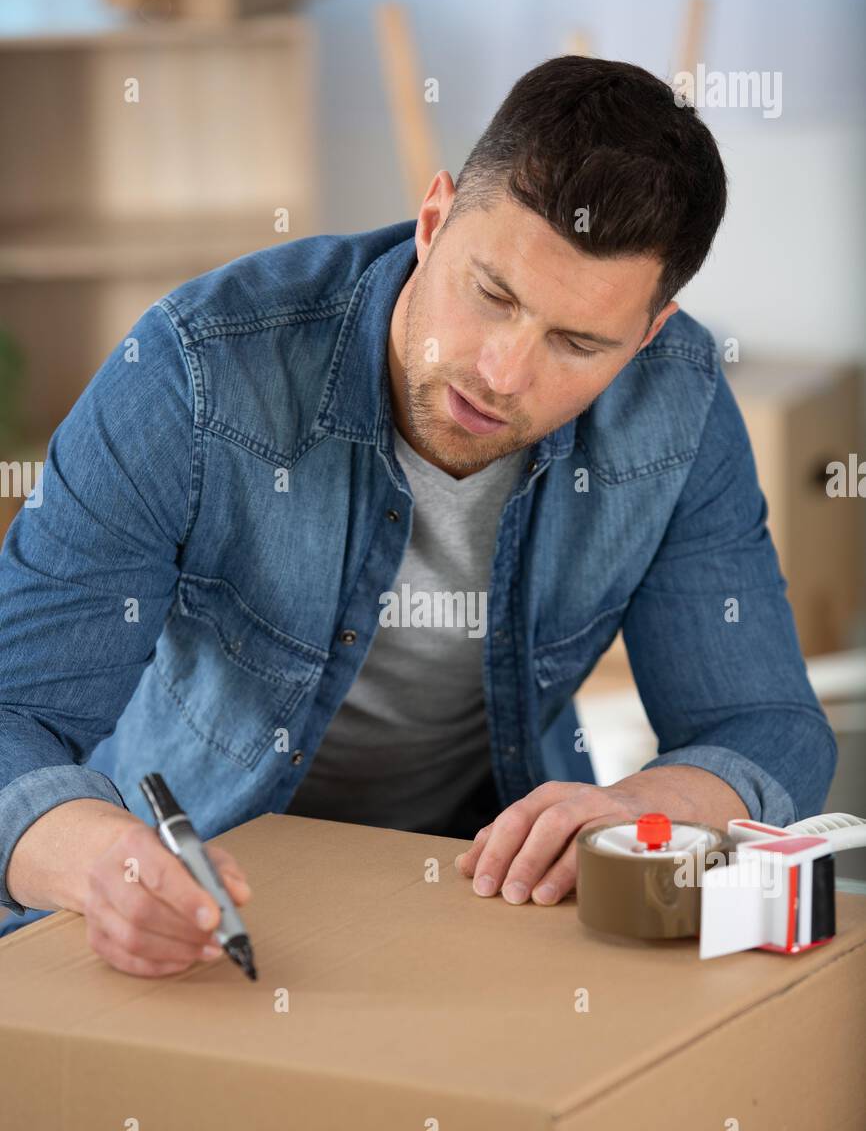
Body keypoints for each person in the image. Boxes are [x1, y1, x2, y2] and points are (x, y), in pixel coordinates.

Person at [0, 56, 836, 972]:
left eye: (578, 342)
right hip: (201, 885)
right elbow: (14, 711)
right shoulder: (193, 371)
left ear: (649, 334)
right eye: (493, 296)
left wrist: (661, 803)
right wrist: (92, 861)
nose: (503, 375)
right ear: (433, 219)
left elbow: (766, 722)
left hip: (486, 892)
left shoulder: (678, 403)